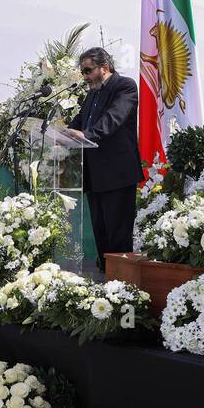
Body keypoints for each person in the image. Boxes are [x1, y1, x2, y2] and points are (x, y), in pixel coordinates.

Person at [65, 47, 141, 273]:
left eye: (88, 71)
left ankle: (123, 286)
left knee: (118, 236)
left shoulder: (125, 86)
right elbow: (80, 120)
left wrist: (87, 135)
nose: (85, 77)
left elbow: (114, 118)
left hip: (117, 175)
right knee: (101, 234)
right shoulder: (92, 93)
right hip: (94, 176)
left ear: (104, 68)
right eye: (83, 72)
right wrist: (63, 133)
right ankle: (107, 281)